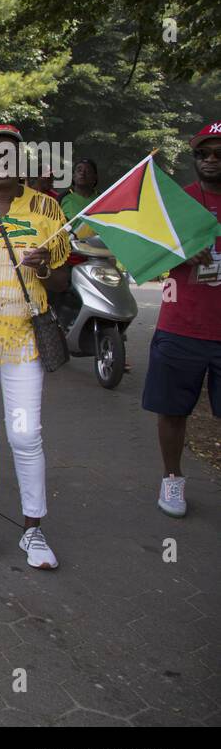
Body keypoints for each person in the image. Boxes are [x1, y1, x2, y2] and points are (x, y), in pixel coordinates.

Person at [0, 124, 70, 569]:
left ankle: (33, 531)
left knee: (24, 434)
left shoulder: (46, 208)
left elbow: (61, 280)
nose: (2, 163)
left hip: (24, 344)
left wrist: (43, 267)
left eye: (11, 155)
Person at [141, 121, 221, 518]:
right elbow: (146, 253)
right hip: (180, 325)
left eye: (218, 154)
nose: (209, 160)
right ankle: (172, 480)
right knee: (172, 410)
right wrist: (181, 254)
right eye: (202, 153)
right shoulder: (177, 205)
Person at [61, 158, 99, 234]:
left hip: (97, 245)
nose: (82, 173)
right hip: (69, 245)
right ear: (73, 176)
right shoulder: (61, 199)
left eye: (88, 171)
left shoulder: (103, 199)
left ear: (95, 177)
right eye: (79, 170)